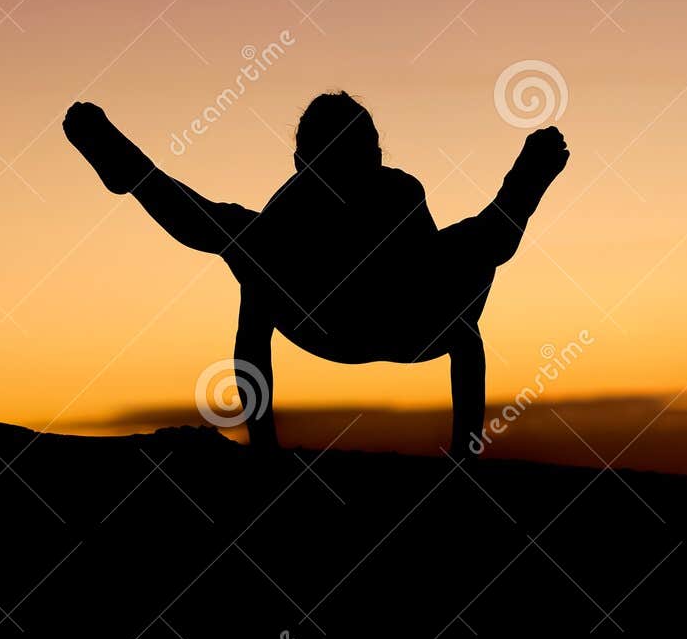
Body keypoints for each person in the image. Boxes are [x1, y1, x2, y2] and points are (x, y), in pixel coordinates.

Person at [64, 92, 568, 458]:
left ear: (300, 158)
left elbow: (251, 336)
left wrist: (264, 446)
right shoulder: (387, 190)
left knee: (233, 230)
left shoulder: (344, 196)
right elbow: (458, 318)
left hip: (345, 317)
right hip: (390, 320)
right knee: (476, 245)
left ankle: (140, 178)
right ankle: (517, 195)